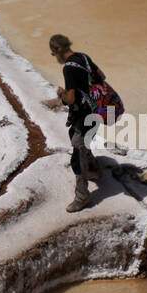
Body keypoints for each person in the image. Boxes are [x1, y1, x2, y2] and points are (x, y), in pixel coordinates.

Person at [50, 33, 103, 213]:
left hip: (84, 116)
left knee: (77, 152)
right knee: (78, 137)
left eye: (53, 53)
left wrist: (61, 94)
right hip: (97, 111)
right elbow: (101, 76)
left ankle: (82, 196)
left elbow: (71, 99)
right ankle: (94, 168)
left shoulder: (69, 68)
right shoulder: (83, 57)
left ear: (57, 50)